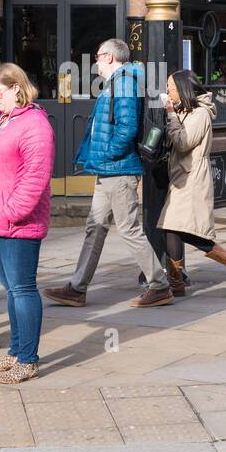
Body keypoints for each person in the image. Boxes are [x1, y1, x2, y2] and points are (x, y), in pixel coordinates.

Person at [42, 38, 167, 308]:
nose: (96, 62)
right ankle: (77, 287)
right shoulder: (117, 82)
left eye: (98, 56)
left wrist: (108, 154)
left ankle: (159, 285)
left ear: (109, 57)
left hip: (119, 169)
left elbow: (127, 128)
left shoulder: (123, 82)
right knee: (95, 228)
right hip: (108, 170)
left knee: (129, 229)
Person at [0, 63, 55, 384]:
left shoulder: (34, 125)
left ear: (16, 88)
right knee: (11, 290)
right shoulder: (1, 122)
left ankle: (28, 360)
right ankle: (16, 352)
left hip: (17, 224)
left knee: (23, 289)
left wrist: (12, 211)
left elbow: (35, 176)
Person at [133, 70, 226, 307]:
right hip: (182, 177)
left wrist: (171, 115)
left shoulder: (200, 113)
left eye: (171, 88)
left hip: (193, 178)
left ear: (183, 89)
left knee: (178, 227)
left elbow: (184, 142)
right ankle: (180, 282)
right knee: (175, 228)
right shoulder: (187, 111)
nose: (168, 92)